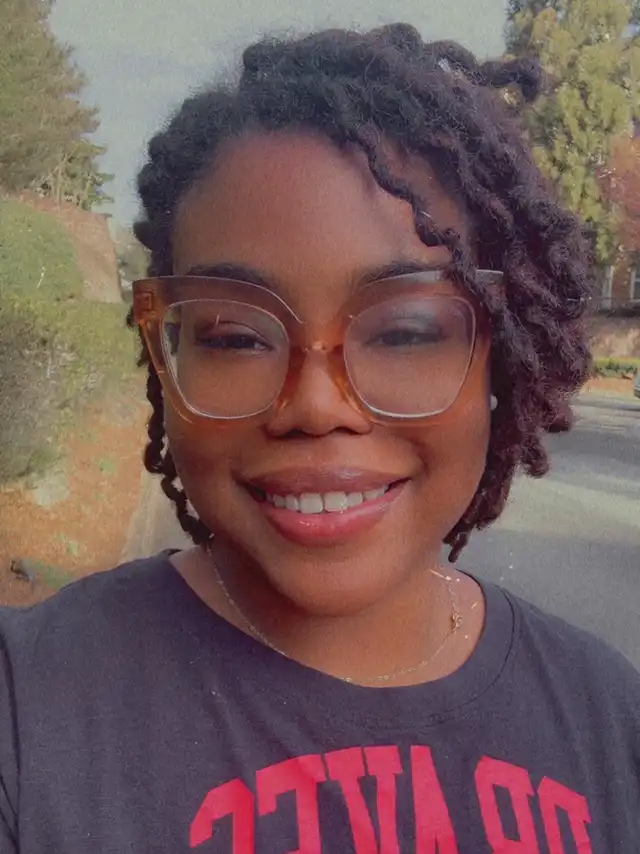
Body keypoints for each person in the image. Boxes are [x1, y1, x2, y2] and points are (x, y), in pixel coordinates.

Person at [0, 23, 638, 854]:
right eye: (237, 335)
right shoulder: (30, 711)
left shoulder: (607, 723)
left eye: (404, 330)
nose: (314, 404)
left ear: (502, 359)